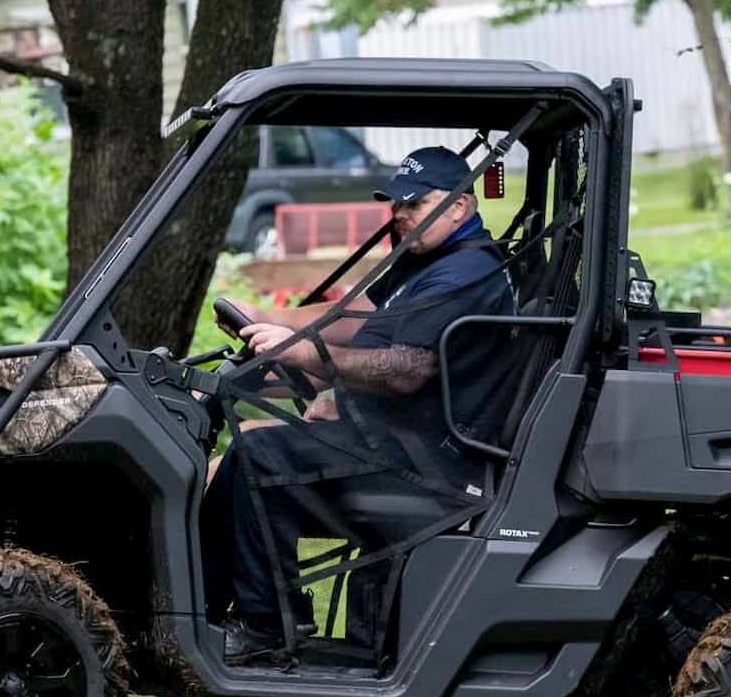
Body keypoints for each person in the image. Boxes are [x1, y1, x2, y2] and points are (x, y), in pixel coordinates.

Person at [203, 145, 517, 666]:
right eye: (396, 205)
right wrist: (267, 322)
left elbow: (405, 369)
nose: (400, 215)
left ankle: (265, 627)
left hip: (424, 467)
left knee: (258, 456)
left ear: (460, 206)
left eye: (415, 205)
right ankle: (204, 614)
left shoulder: (466, 274)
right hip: (395, 442)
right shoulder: (428, 260)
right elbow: (355, 317)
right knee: (251, 442)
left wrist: (309, 355)